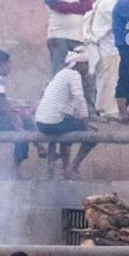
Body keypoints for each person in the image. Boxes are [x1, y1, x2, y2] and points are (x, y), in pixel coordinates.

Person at [36, 48, 97, 178]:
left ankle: (54, 170)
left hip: (41, 123)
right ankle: (72, 168)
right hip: (53, 123)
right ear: (79, 64)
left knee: (67, 127)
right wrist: (86, 125)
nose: (87, 67)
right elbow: (79, 99)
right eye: (86, 64)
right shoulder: (74, 75)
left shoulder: (61, 74)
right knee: (93, 136)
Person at [87, 0, 120, 118]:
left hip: (108, 48)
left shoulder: (106, 0)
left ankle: (106, 109)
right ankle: (106, 111)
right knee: (108, 80)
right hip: (109, 48)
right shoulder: (108, 1)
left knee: (108, 79)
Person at [47, 0, 93, 75]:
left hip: (78, 37)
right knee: (60, 73)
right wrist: (78, 7)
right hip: (59, 36)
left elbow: (88, 5)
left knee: (82, 71)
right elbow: (53, 3)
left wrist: (69, 7)